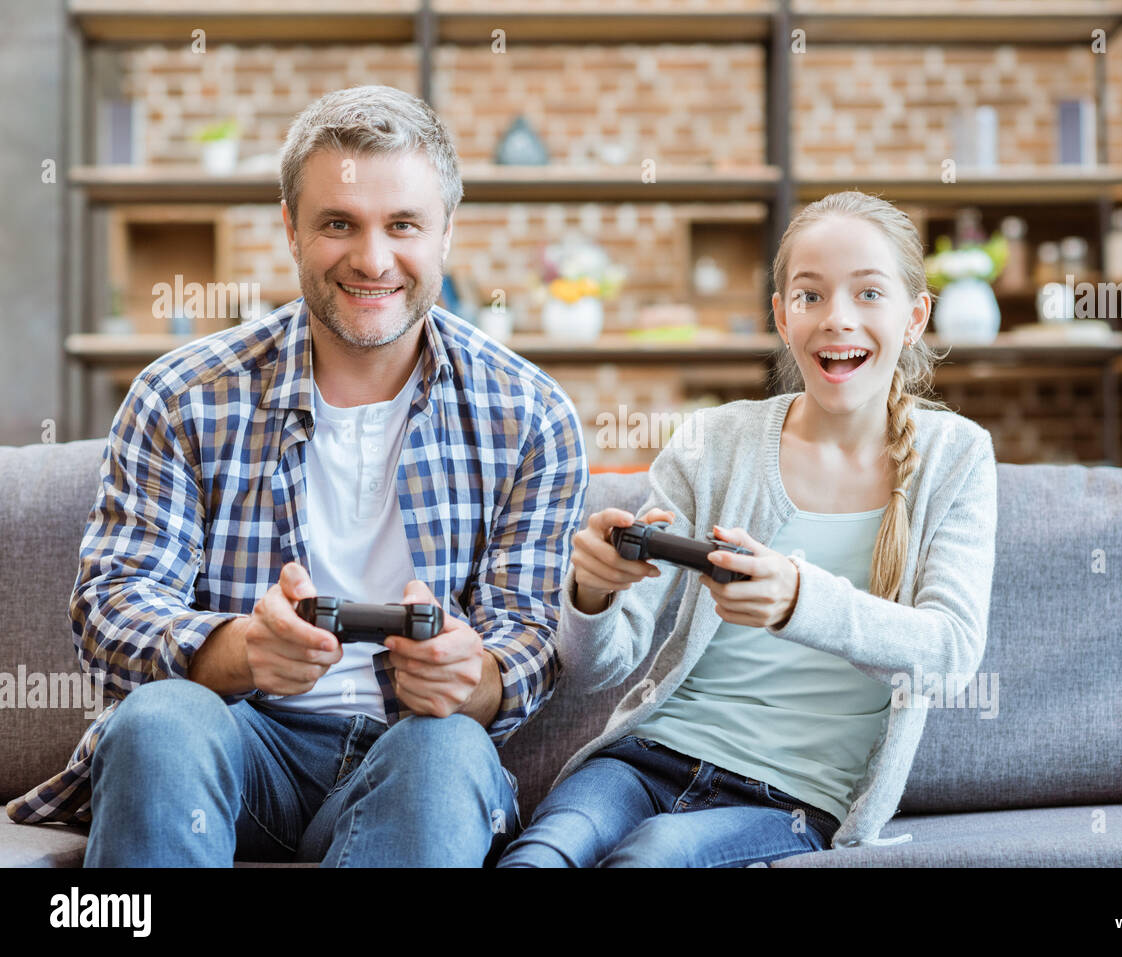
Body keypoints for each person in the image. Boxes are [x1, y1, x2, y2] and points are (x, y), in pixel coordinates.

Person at [5, 85, 588, 867]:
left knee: (444, 750)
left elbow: (533, 639)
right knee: (158, 720)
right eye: (338, 223)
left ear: (447, 232)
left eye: (404, 225)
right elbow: (112, 608)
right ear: (290, 227)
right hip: (236, 744)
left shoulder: (531, 416)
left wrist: (472, 675)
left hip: (411, 752)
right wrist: (238, 649)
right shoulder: (183, 394)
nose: (373, 259)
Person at [498, 190, 998, 868]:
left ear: (915, 318)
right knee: (539, 855)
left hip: (786, 800)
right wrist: (591, 595)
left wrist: (798, 600)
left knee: (649, 859)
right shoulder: (715, 442)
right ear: (781, 316)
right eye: (811, 295)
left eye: (869, 294)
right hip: (646, 759)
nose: (837, 319)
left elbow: (951, 655)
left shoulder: (956, 456)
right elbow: (598, 670)